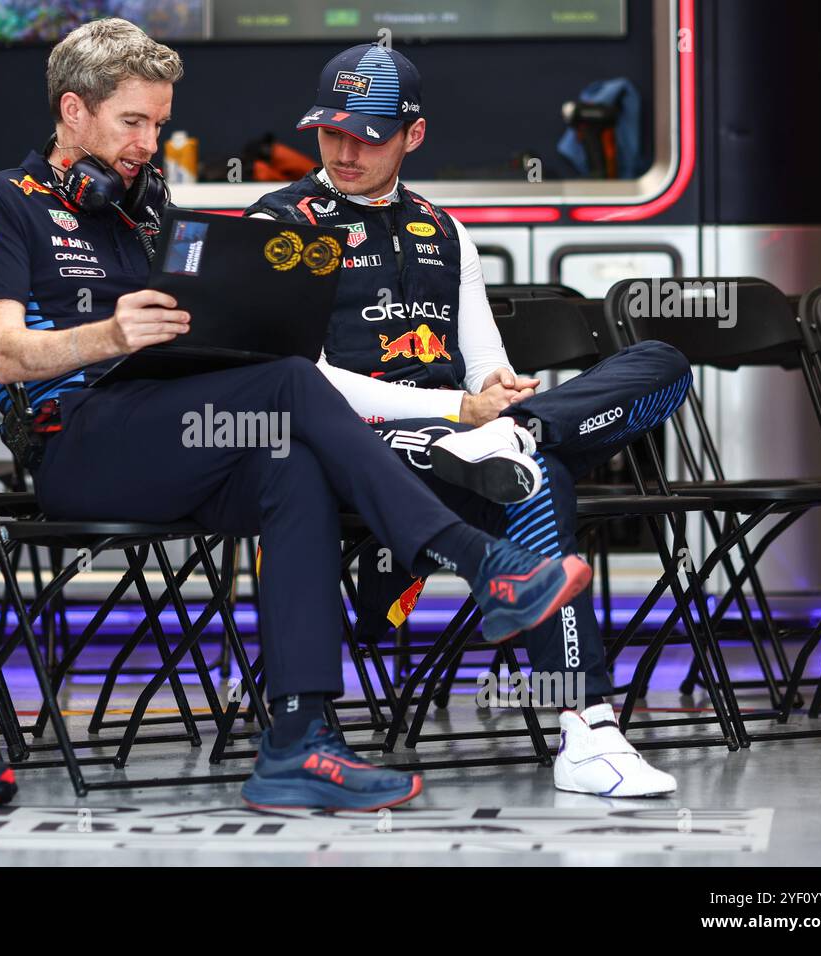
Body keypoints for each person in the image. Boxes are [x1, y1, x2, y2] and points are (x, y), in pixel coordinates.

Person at [0, 19, 591, 811]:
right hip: (76, 444)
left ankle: (299, 742)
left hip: (169, 425)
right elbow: (7, 354)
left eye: (159, 123)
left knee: (296, 466)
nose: (151, 143)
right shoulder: (0, 201)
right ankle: (478, 560)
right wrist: (108, 334)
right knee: (291, 382)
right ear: (74, 111)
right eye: (134, 122)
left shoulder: (146, 210)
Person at [247, 43, 691, 797]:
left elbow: (483, 360)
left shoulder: (445, 230)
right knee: (531, 476)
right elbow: (307, 383)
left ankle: (525, 438)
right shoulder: (281, 222)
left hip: (468, 443)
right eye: (331, 132)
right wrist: (456, 408)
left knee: (662, 364)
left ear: (412, 136)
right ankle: (586, 726)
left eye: (368, 135)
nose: (345, 150)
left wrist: (499, 393)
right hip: (356, 450)